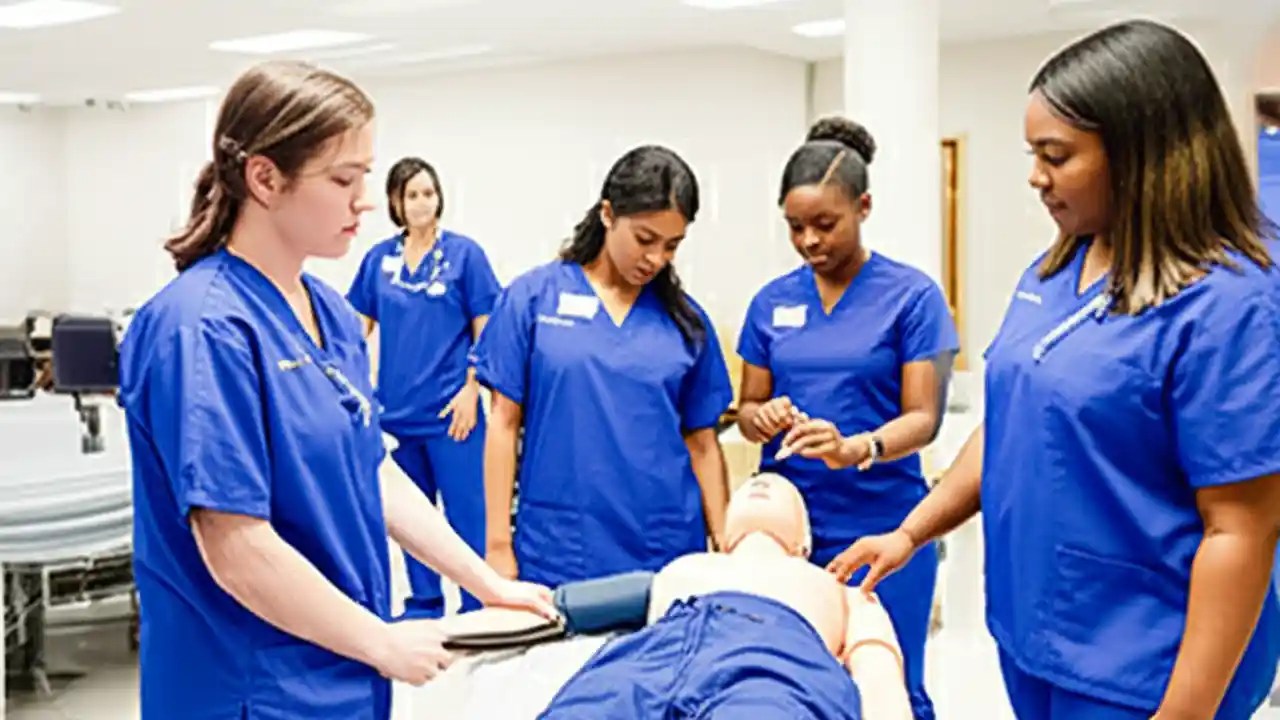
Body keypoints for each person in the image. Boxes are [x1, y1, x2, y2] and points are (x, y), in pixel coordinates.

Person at [829, 20, 1280, 720]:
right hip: (1037, 633)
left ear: (1143, 154)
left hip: (1148, 663)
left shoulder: (1227, 304)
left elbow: (1240, 532)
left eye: (1056, 155)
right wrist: (911, 531)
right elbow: (1009, 424)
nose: (1035, 175)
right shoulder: (1057, 267)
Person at [117, 61, 554, 720]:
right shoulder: (201, 329)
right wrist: (380, 640)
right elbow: (235, 547)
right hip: (247, 686)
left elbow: (370, 469)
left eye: (366, 177)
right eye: (343, 179)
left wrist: (488, 584)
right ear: (265, 178)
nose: (366, 201)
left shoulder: (331, 314)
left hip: (335, 674)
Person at [736, 116, 957, 719]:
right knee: (794, 688)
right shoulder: (772, 302)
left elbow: (923, 418)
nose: (809, 241)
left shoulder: (911, 298)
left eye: (825, 224)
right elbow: (747, 409)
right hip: (788, 534)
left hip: (882, 527)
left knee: (890, 685)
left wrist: (857, 447)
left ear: (864, 207)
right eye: (795, 227)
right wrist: (765, 415)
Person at [440, 473, 913, 719]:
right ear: (722, 534)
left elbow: (880, 679)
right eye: (751, 486)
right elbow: (551, 612)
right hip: (647, 658)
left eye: (778, 490)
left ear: (804, 541)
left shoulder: (843, 590)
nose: (762, 487)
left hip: (773, 662)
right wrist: (441, 634)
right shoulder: (682, 570)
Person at [472, 145, 734, 589]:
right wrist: (497, 545)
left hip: (664, 545)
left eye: (672, 246)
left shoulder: (684, 322)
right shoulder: (534, 299)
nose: (657, 259)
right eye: (645, 239)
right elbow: (502, 422)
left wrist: (727, 540)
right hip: (562, 547)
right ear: (608, 215)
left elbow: (703, 443)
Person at [347, 157, 500, 618]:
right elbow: (355, 333)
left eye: (428, 193)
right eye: (412, 195)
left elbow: (486, 329)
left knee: (466, 516)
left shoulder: (464, 256)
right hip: (397, 416)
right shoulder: (379, 261)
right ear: (396, 201)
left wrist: (473, 390)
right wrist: (358, 392)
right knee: (413, 520)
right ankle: (425, 601)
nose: (421, 203)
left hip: (453, 413)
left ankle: (478, 605)